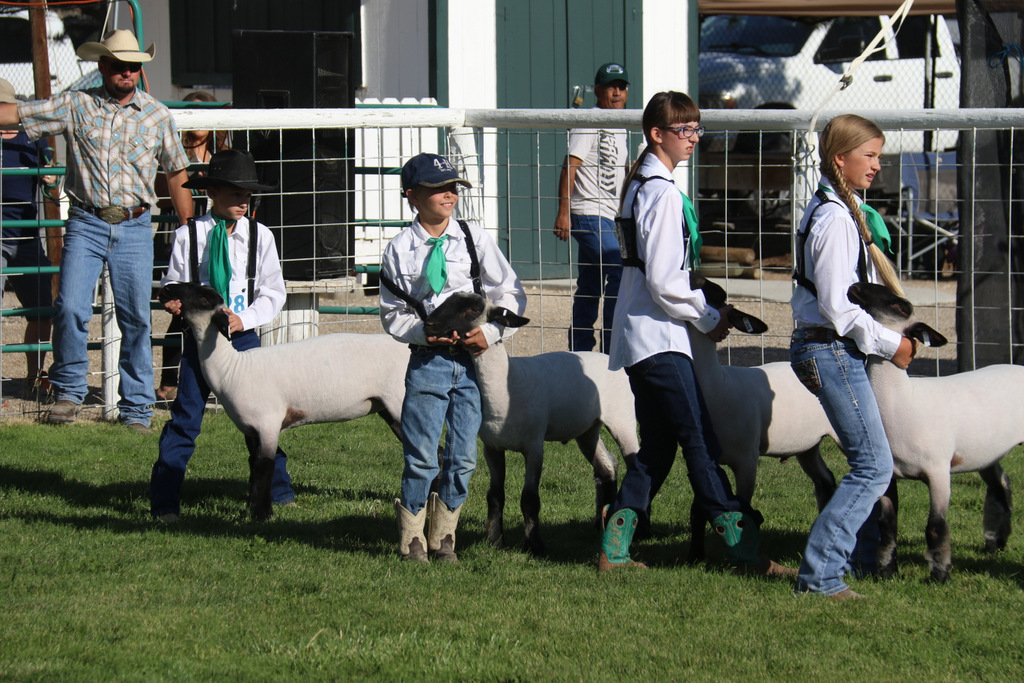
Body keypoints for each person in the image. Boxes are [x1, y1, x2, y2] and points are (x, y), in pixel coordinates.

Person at [598, 91, 791, 576]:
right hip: (658, 338)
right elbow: (666, 282)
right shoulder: (661, 193)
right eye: (683, 129)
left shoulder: (644, 184)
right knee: (700, 441)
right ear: (655, 134)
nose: (693, 138)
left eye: (696, 128)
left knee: (658, 447)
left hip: (644, 336)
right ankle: (743, 550)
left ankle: (613, 550)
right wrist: (708, 318)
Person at [0, 29, 193, 431]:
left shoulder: (157, 114)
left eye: (134, 66)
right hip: (86, 221)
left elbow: (177, 172)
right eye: (120, 65)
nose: (127, 72)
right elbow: (16, 115)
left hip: (135, 224)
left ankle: (137, 408)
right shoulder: (76, 104)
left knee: (137, 318)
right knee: (70, 306)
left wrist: (188, 228)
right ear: (103, 66)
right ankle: (69, 391)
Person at [789, 114, 917, 600]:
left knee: (869, 462)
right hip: (829, 347)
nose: (877, 165)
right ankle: (821, 576)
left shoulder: (841, 211)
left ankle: (854, 561)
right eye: (870, 155)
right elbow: (837, 307)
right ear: (840, 159)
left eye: (878, 155)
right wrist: (893, 344)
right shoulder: (835, 220)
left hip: (831, 347)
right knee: (873, 466)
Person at [380, 152, 526, 563]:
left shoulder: (473, 238)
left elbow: (511, 292)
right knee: (422, 454)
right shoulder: (399, 249)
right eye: (437, 189)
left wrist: (491, 333)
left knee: (463, 455)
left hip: (473, 363)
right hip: (428, 362)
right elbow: (392, 312)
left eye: (453, 188)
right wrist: (422, 333)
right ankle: (412, 539)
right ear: (412, 196)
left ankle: (444, 537)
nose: (449, 195)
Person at [150, 149, 294, 523]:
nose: (243, 202)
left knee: (261, 422)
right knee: (186, 416)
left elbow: (273, 291)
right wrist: (174, 303)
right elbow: (172, 285)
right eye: (234, 194)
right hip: (200, 342)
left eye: (247, 195)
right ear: (211, 192)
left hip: (244, 341)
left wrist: (242, 320)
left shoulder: (261, 236)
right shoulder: (188, 236)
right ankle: (164, 503)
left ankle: (278, 492)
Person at [156, 90, 232, 403]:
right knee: (180, 310)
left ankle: (218, 377)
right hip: (181, 231)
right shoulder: (173, 150)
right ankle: (169, 380)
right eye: (193, 113)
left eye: (204, 114)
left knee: (215, 302)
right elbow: (161, 192)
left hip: (217, 233)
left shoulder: (222, 153)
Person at [553, 62, 629, 352]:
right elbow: (570, 166)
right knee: (620, 271)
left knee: (590, 284)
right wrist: (564, 212)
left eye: (622, 87)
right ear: (598, 91)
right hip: (587, 212)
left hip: (609, 216)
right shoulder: (588, 121)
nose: (617, 92)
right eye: (611, 87)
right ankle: (611, 348)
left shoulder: (622, 125)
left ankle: (581, 349)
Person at [0, 78, 53, 397]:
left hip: (27, 236)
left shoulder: (32, 137)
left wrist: (50, 179)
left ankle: (35, 377)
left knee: (43, 309)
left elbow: (51, 180)